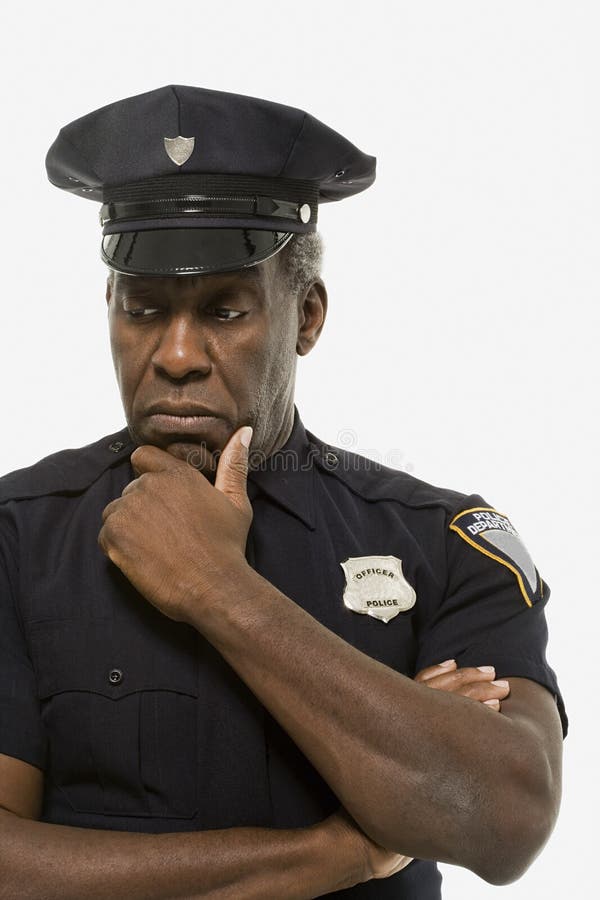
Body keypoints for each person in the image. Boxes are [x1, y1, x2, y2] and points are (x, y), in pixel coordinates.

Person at [0, 85, 567, 899]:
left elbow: (508, 821)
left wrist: (217, 588)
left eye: (225, 310)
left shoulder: (441, 539)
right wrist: (325, 857)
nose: (178, 354)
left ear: (305, 316)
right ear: (110, 310)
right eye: (145, 309)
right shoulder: (18, 537)